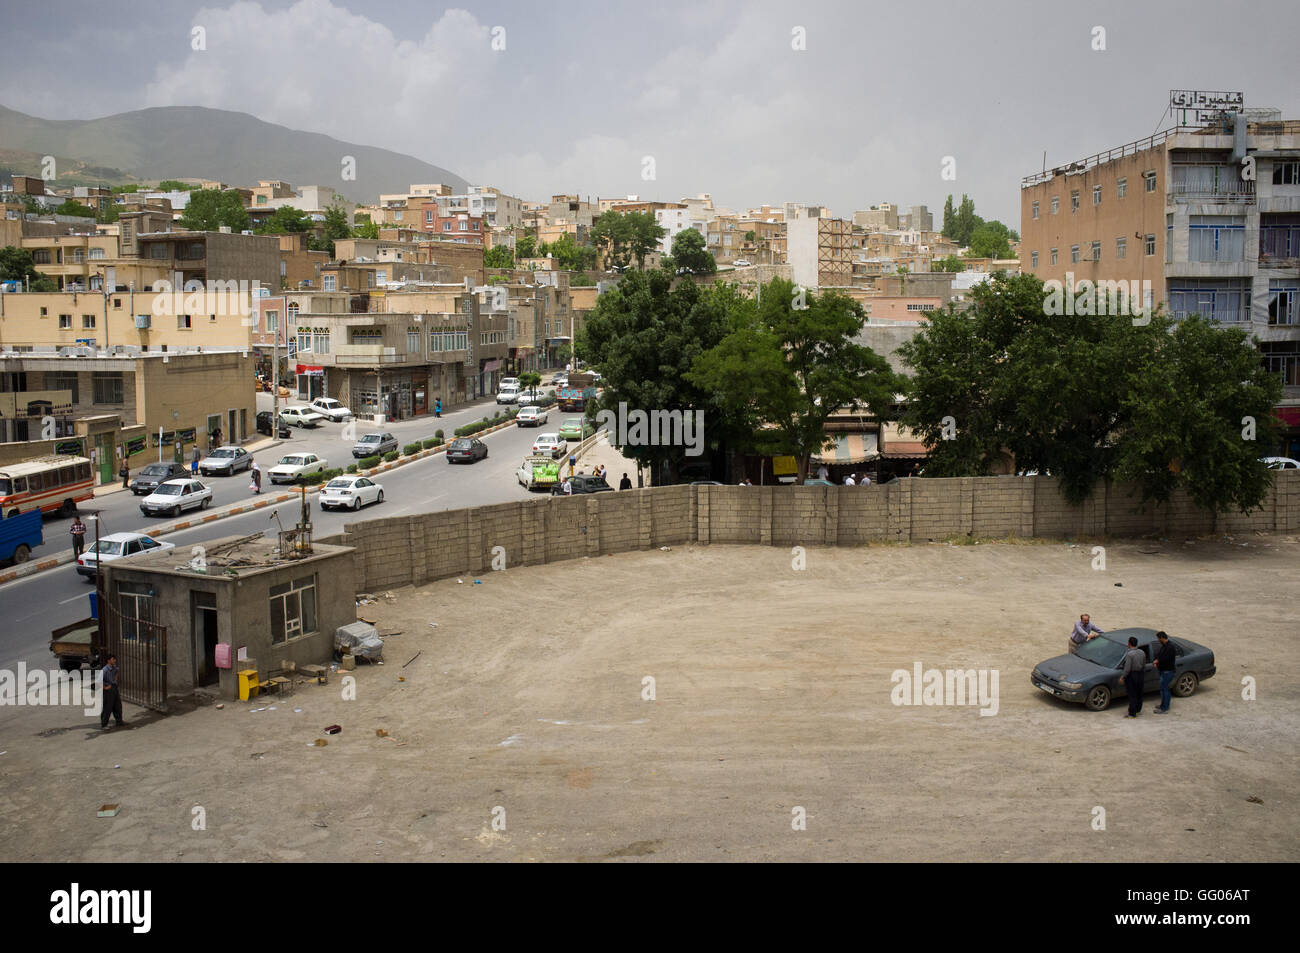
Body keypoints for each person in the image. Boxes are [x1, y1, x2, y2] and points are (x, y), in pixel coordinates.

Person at [1121, 636, 1147, 718]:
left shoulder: (1129, 654)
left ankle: (1132, 712)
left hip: (1132, 675)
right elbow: (1144, 664)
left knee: (1132, 694)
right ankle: (1138, 709)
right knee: (1139, 692)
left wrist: (1123, 677)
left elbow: (1127, 668)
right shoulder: (1142, 652)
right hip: (1140, 674)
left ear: (1129, 643)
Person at [1153, 631, 1177, 714]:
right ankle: (1163, 705)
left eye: (1159, 638)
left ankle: (1164, 708)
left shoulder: (1169, 647)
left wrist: (1157, 662)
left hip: (1167, 671)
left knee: (1165, 689)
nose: (1158, 640)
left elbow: (1166, 659)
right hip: (1164, 671)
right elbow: (1160, 655)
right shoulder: (1165, 646)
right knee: (1163, 689)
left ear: (1162, 638)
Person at [100, 654, 124, 729]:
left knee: (118, 705)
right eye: (113, 659)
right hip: (108, 690)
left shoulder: (114, 668)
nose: (114, 660)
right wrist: (105, 687)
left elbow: (116, 673)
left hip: (114, 688)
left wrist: (115, 680)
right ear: (108, 660)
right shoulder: (104, 670)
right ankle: (104, 724)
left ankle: (119, 721)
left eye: (114, 659)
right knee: (107, 707)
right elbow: (98, 681)